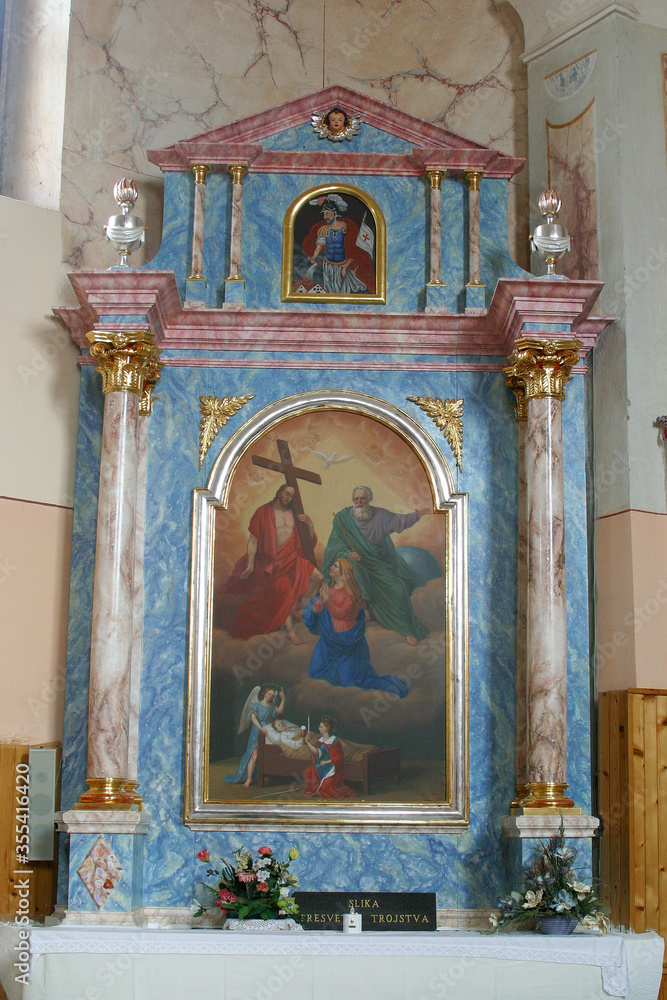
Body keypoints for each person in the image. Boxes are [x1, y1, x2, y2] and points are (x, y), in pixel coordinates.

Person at [322, 486, 430, 645]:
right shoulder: (343, 519)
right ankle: (365, 611)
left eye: (363, 498)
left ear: (369, 499)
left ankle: (407, 629)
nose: (360, 502)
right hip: (359, 563)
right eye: (356, 499)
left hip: (379, 564)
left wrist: (416, 515)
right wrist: (347, 553)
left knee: (397, 590)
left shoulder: (381, 515)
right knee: (352, 571)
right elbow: (335, 544)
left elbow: (399, 521)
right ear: (353, 500)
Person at [221, 484, 322, 644]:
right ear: (279, 492)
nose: (288, 498)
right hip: (272, 562)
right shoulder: (263, 512)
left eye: (291, 495)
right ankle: (290, 632)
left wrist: (310, 525)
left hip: (292, 557)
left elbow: (307, 542)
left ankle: (300, 607)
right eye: (286, 493)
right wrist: (250, 563)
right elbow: (253, 540)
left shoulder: (295, 514)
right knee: (285, 592)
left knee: (318, 577)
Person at [303, 559, 408, 697]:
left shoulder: (351, 594)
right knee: (317, 674)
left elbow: (340, 614)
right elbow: (320, 607)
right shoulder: (330, 590)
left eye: (335, 566)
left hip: (347, 643)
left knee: (350, 683)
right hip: (329, 641)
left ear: (344, 573)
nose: (331, 567)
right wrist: (318, 605)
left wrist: (327, 600)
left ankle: (390, 688)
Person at [301, 194, 375, 295]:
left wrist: (346, 266)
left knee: (342, 292)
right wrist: (314, 256)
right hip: (328, 266)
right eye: (324, 214)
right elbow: (319, 245)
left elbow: (353, 250)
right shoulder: (324, 229)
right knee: (329, 291)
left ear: (335, 213)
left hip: (342, 266)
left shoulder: (347, 228)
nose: (325, 217)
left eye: (327, 213)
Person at [225, 684, 285, 787]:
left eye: (272, 695)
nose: (270, 696)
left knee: (265, 755)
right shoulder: (257, 705)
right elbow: (253, 718)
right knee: (255, 756)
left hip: (268, 731)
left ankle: (260, 774)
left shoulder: (272, 706)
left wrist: (283, 699)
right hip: (257, 731)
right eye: (269, 694)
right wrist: (261, 728)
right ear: (264, 694)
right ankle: (249, 779)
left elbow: (279, 711)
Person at [303, 716, 357, 799]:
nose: (319, 728)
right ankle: (316, 787)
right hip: (321, 766)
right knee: (309, 771)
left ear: (327, 728)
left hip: (332, 768)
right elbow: (316, 752)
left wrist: (325, 762)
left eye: (321, 727)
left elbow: (338, 757)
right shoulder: (320, 740)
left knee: (326, 789)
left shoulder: (334, 741)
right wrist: (307, 743)